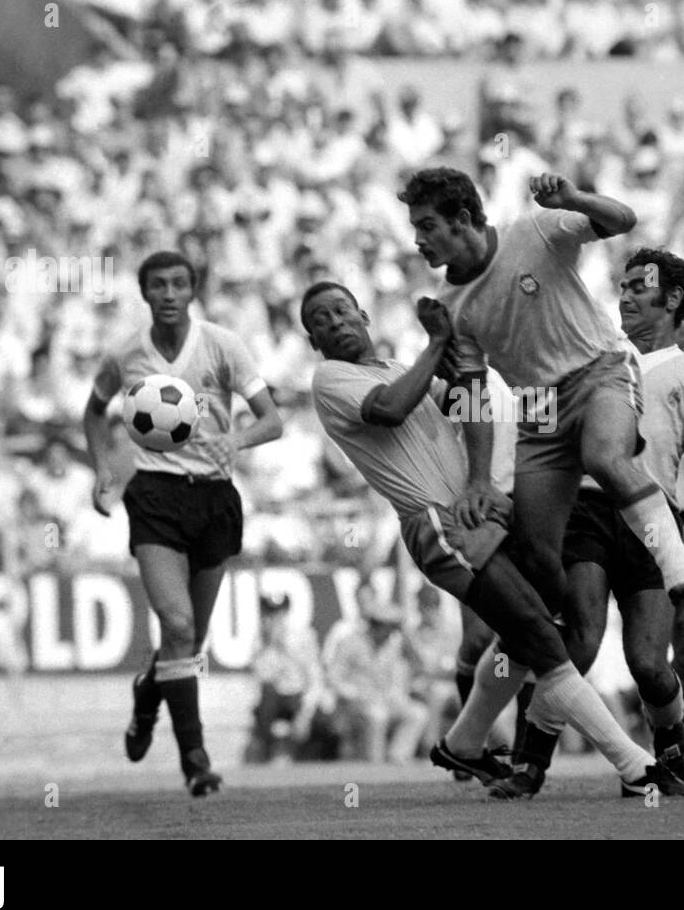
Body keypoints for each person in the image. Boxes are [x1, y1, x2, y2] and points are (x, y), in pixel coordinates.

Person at [302, 280, 684, 797]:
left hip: (477, 511)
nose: (334, 322)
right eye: (320, 320)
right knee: (542, 636)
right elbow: (389, 409)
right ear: (312, 341)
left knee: (540, 622)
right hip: (437, 523)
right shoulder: (330, 378)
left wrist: (469, 366)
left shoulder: (399, 370)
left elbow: (468, 407)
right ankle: (634, 764)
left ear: (363, 314)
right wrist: (440, 344)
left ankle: (463, 742)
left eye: (340, 310)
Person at [396, 167, 684, 658]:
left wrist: (574, 197)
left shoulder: (534, 230)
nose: (417, 240)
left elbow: (623, 219)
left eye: (426, 226)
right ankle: (563, 641)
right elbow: (472, 395)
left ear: (461, 219)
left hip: (598, 368)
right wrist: (478, 480)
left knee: (605, 458)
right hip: (539, 407)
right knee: (536, 550)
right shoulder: (452, 305)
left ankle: (683, 582)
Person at [493, 248, 684, 797]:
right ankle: (530, 764)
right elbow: (541, 426)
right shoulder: (592, 354)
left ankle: (672, 748)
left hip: (653, 515)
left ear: (671, 299)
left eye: (637, 286)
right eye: (620, 286)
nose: (623, 295)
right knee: (579, 641)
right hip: (588, 508)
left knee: (649, 663)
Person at [83, 250, 283, 796]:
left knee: (188, 643)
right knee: (175, 626)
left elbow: (273, 419)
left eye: (178, 284)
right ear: (143, 292)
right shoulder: (125, 353)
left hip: (215, 499)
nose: (169, 294)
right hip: (154, 496)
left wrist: (235, 439)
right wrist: (104, 470)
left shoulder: (222, 346)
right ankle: (196, 760)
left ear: (193, 290)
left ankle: (149, 691)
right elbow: (92, 411)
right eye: (158, 285)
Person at [323, 584, 428, 764]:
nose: (391, 632)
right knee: (376, 715)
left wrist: (396, 694)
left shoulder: (392, 646)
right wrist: (353, 693)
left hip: (385, 699)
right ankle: (376, 765)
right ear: (376, 625)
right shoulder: (351, 642)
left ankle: (398, 757)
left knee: (417, 713)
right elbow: (333, 677)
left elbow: (414, 667)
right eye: (388, 627)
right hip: (355, 704)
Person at [244, 591, 337, 764]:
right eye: (271, 613)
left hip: (299, 697)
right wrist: (270, 646)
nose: (276, 618)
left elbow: (315, 679)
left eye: (279, 612)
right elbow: (262, 680)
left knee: (326, 723)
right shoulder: (260, 643)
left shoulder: (303, 636)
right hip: (273, 702)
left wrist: (305, 714)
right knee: (267, 701)